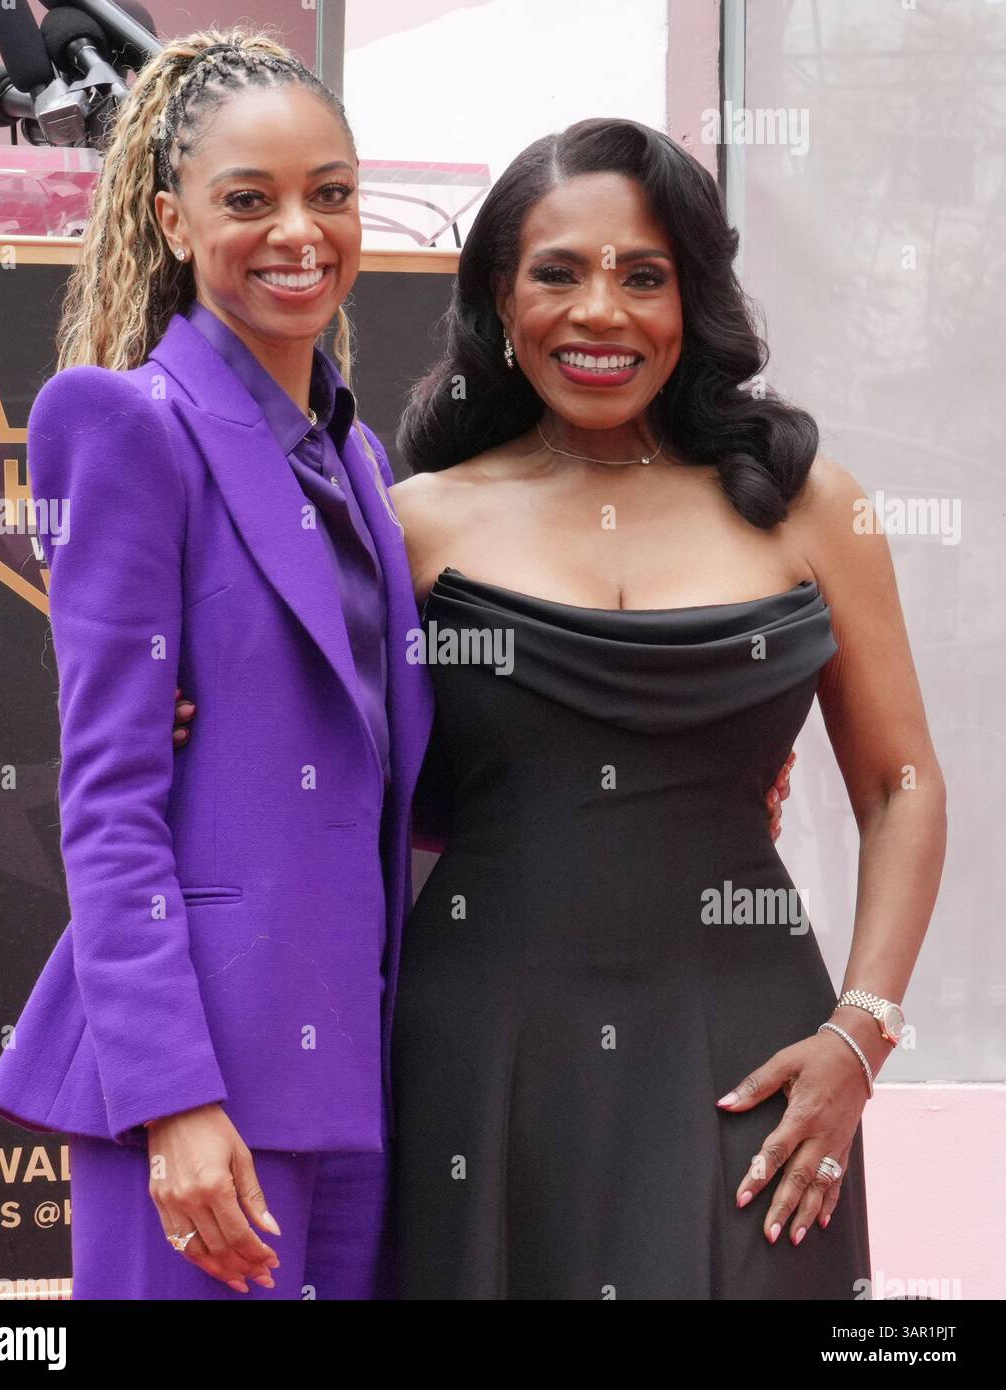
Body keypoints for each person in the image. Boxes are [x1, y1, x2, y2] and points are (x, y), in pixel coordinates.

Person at [379, 117, 947, 1299]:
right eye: (557, 273)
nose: (601, 312)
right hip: (480, 1043)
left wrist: (859, 1034)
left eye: (643, 276)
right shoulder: (413, 522)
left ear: (692, 299)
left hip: (755, 1046)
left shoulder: (807, 505)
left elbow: (900, 786)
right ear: (499, 297)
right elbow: (343, 776)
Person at [0, 27, 435, 1299]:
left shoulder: (357, 461)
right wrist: (172, 1099)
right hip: (202, 1090)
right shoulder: (123, 421)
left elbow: (390, 768)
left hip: (359, 1074)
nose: (299, 231)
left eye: (330, 194)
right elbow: (109, 801)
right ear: (173, 221)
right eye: (249, 200)